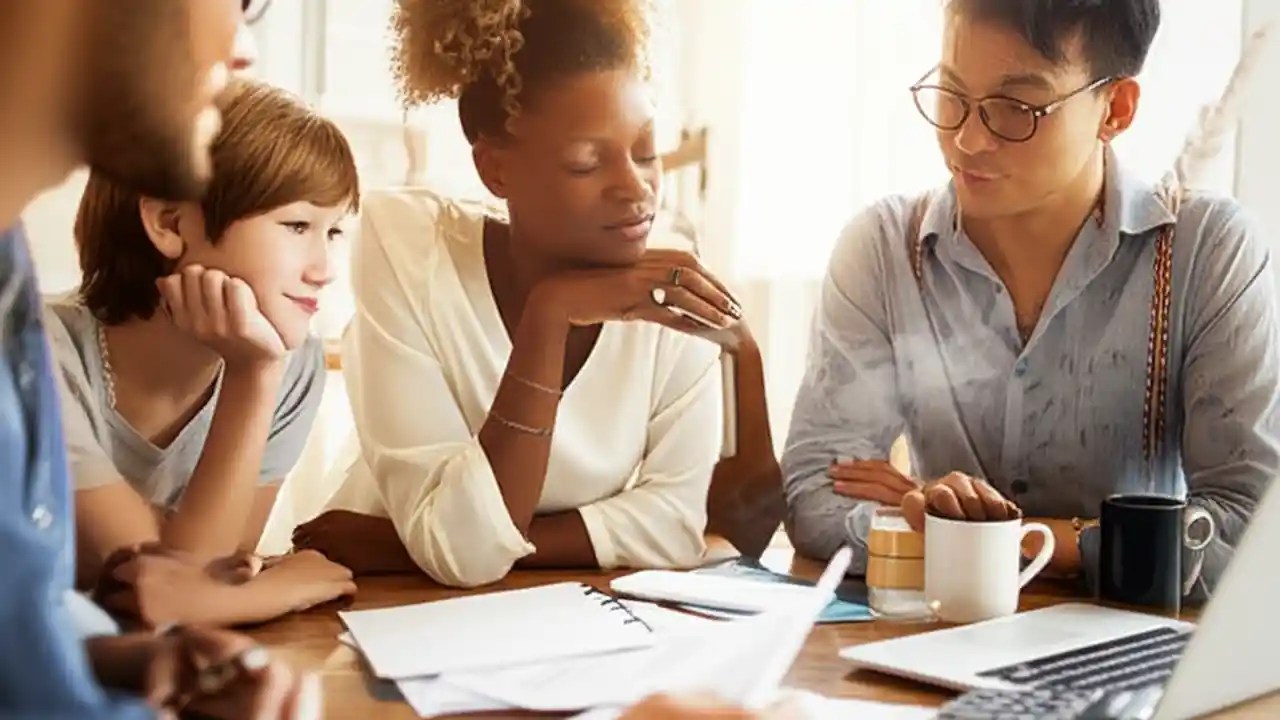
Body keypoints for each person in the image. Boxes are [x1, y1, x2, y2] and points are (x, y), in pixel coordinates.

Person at [781, 0, 1279, 603]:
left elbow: (1251, 530)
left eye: (1015, 108)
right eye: (952, 93)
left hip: (1130, 647)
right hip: (935, 638)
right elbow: (815, 499)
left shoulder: (1207, 251)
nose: (967, 138)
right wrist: (1128, 539)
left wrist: (995, 536)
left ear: (1115, 109)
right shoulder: (884, 249)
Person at [293, 0, 781, 588]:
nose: (636, 190)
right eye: (585, 163)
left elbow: (672, 527)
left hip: (551, 618)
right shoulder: (409, 248)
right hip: (381, 607)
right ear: (495, 171)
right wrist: (550, 315)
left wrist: (402, 546)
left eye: (646, 152)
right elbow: (466, 556)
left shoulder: (669, 284)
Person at [0, 1, 317, 717]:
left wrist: (124, 661)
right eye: (230, 4)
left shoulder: (6, 275)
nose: (245, 52)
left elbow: (20, 621)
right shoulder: (52, 338)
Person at [43, 77, 359, 627]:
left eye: (332, 232)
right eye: (297, 225)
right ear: (169, 223)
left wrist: (256, 373)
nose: (324, 270)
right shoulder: (36, 352)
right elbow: (168, 597)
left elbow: (200, 587)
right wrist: (280, 589)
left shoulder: (288, 363)